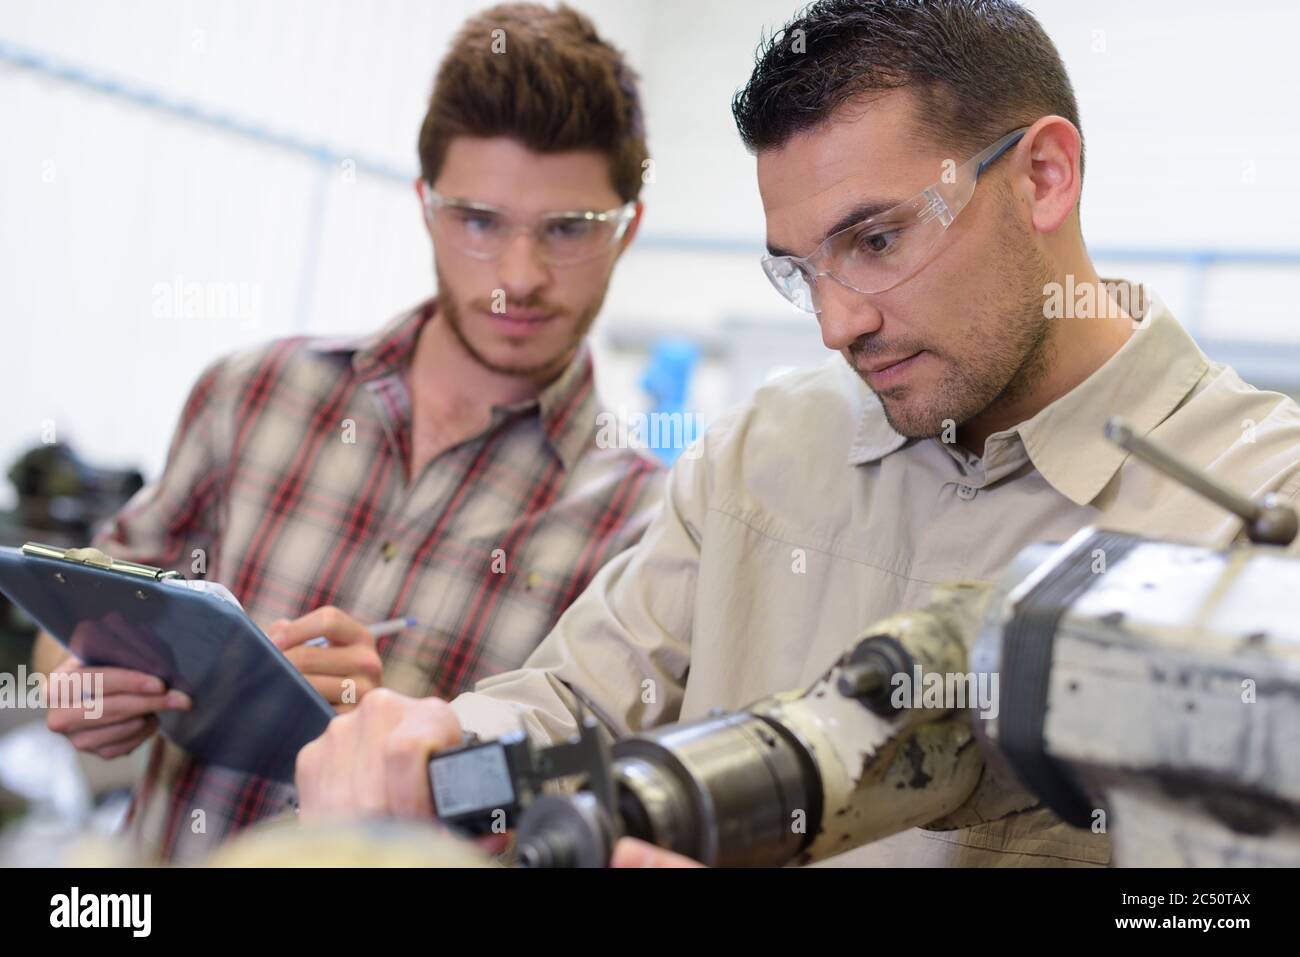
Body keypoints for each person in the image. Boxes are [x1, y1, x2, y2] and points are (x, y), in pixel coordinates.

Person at [301, 0, 1300, 866]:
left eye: (876, 240)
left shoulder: (1263, 515)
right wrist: (437, 749)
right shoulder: (763, 452)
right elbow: (574, 705)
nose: (837, 324)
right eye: (799, 268)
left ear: (1041, 176)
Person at [34, 2, 664, 864]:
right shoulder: (251, 392)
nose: (520, 277)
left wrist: (417, 747)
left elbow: (608, 813)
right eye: (479, 221)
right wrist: (88, 686)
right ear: (426, 208)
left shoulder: (648, 528)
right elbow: (83, 613)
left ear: (626, 228)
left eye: (567, 230)